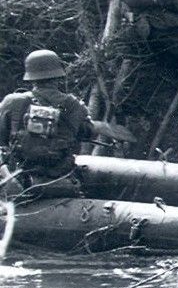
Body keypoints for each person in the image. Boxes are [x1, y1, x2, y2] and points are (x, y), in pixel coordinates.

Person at [0, 50, 103, 198]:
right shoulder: (75, 106)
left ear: (31, 77)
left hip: (19, 181)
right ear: (58, 76)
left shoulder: (13, 102)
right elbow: (88, 133)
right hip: (60, 182)